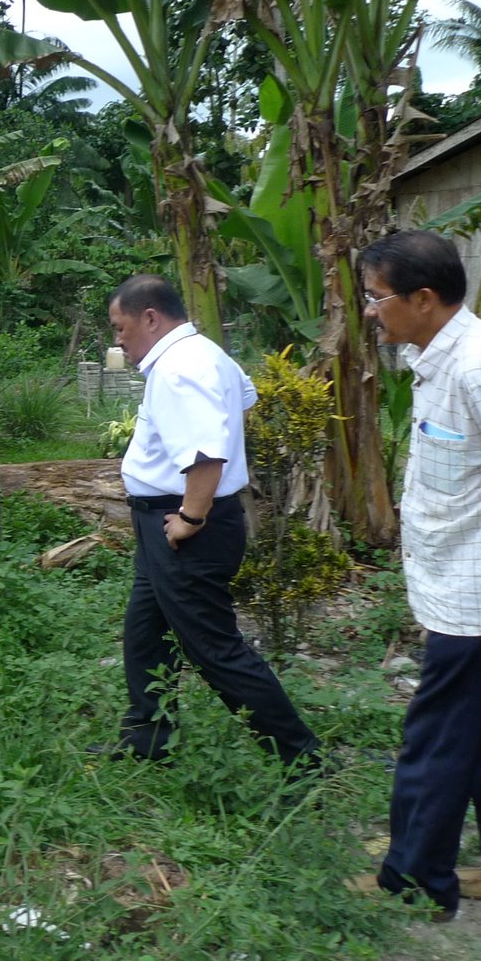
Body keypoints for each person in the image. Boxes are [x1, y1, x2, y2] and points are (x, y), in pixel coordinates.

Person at [355, 230, 481, 919]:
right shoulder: (437, 358)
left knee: (436, 740)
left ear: (423, 299)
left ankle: (415, 879)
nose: (370, 311)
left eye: (376, 297)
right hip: (466, 587)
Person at [106, 275, 321, 770]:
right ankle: (149, 737)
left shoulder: (180, 367)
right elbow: (241, 401)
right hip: (167, 523)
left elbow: (205, 455)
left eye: (121, 328)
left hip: (186, 528)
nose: (118, 340)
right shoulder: (205, 353)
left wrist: (189, 517)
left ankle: (304, 759)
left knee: (214, 649)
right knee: (145, 633)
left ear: (150, 318)